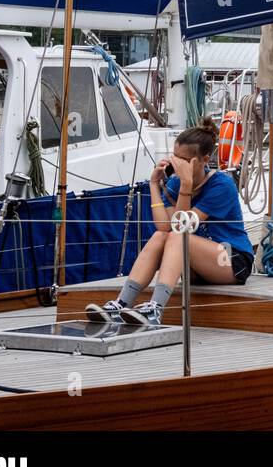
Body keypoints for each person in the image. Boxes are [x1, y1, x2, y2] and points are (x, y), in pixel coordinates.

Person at [86, 118, 255, 326]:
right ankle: (122, 303)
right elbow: (164, 227)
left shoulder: (222, 185)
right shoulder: (175, 182)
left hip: (231, 260)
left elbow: (181, 226)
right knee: (160, 236)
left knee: (177, 237)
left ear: (204, 159)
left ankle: (155, 309)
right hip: (196, 264)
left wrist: (186, 185)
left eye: (182, 160)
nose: (175, 164)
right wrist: (154, 185)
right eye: (174, 157)